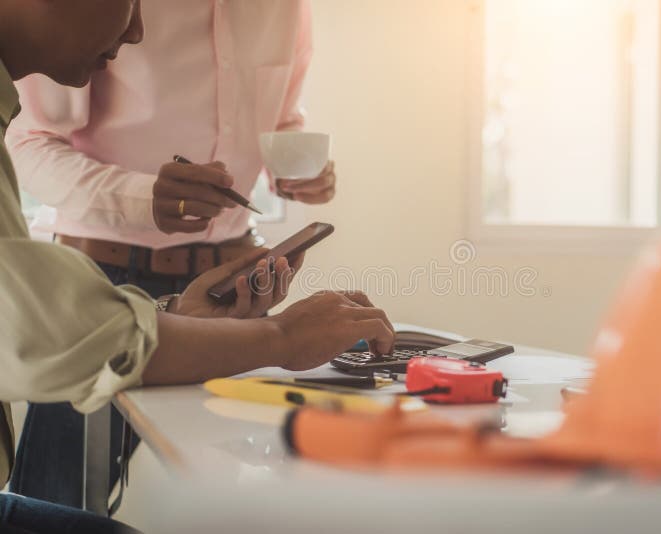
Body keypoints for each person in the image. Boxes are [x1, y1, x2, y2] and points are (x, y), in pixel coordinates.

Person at [0, 0, 395, 531]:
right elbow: (29, 143)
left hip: (223, 286)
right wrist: (281, 335)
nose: (137, 31)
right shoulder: (76, 29)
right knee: (61, 489)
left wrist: (300, 168)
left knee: (228, 505)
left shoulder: (287, 11)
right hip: (96, 277)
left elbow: (278, 120)